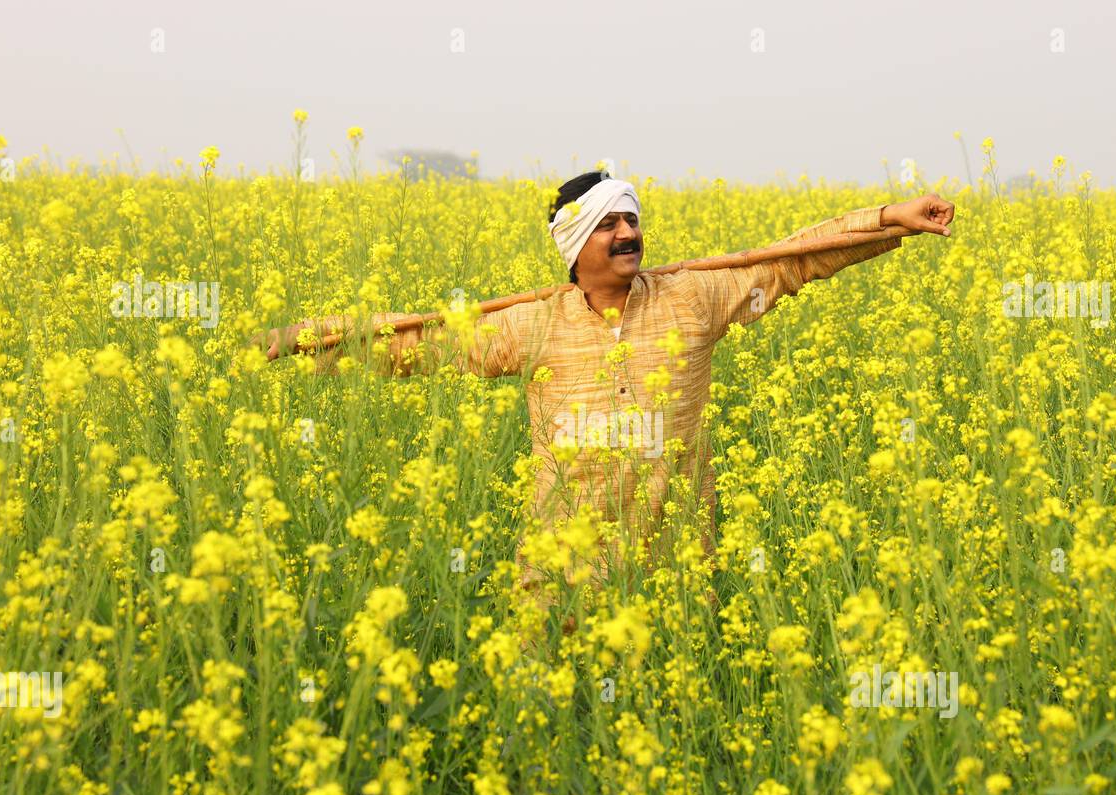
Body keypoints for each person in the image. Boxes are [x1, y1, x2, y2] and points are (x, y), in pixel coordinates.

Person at [262, 172, 954, 634]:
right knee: (548, 721)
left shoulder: (692, 298)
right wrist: (315, 340)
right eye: (608, 224)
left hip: (676, 564)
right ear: (575, 244)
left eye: (631, 219)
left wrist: (893, 217)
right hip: (564, 565)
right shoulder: (532, 324)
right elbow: (418, 345)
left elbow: (794, 259)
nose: (628, 233)